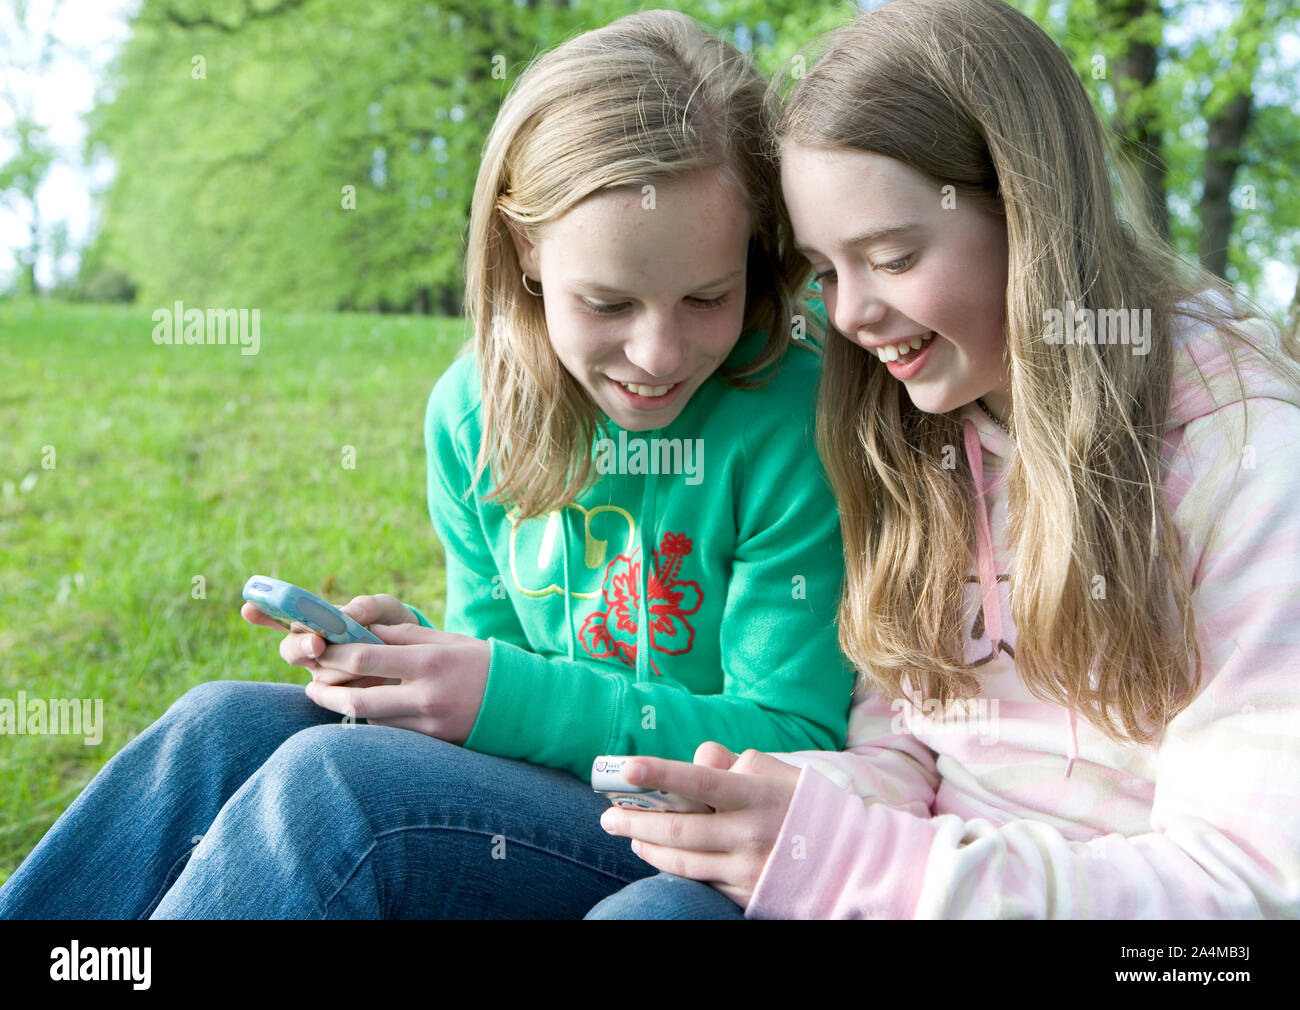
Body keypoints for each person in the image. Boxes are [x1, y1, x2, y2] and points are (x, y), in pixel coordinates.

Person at [0, 10, 854, 920]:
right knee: (219, 727)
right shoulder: (475, 414)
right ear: (527, 248)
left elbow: (793, 736)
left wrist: (502, 693)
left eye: (706, 298)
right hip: (545, 807)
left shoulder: (789, 420)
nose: (657, 351)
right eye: (607, 301)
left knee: (338, 792)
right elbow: (503, 677)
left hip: (692, 838)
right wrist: (411, 668)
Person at [587, 0, 1300, 919]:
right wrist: (790, 798)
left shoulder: (1248, 462)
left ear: (1029, 214)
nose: (848, 316)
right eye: (829, 272)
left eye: (891, 256)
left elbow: (1250, 894)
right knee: (355, 792)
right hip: (920, 884)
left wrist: (872, 864)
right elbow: (913, 755)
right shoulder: (920, 438)